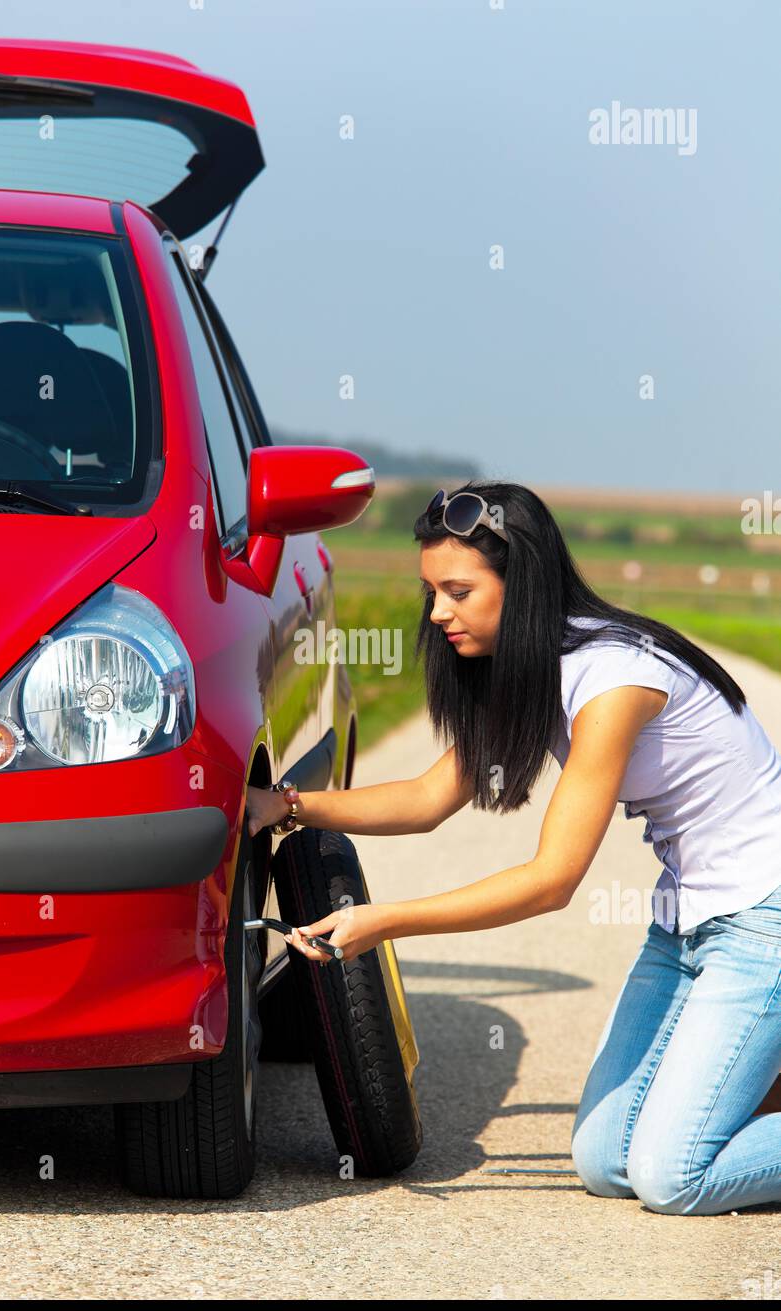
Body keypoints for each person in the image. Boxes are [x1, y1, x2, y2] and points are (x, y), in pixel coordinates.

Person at [245, 480, 781, 1216]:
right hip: (688, 924)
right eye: (432, 592)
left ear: (519, 582)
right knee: (602, 1162)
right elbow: (428, 798)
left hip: (762, 921)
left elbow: (552, 880)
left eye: (458, 591)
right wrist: (285, 805)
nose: (437, 613)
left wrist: (384, 921)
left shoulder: (614, 679)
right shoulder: (533, 669)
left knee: (671, 1176)